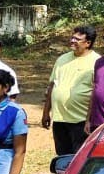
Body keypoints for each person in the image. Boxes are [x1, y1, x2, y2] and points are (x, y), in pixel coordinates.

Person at [41, 26, 100, 155]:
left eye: (77, 39)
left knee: (79, 158)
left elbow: (97, 93)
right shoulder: (62, 59)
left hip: (81, 121)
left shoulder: (97, 62)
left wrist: (90, 120)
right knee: (62, 157)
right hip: (60, 119)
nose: (72, 40)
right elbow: (52, 86)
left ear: (88, 43)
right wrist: (46, 112)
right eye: (72, 37)